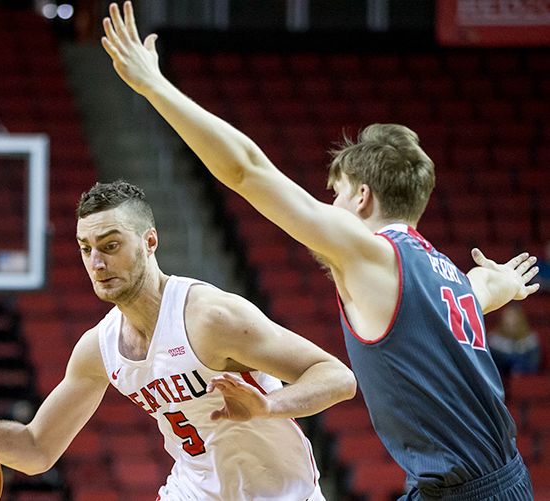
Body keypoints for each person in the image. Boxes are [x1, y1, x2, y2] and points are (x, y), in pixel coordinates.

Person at [99, 3, 540, 499]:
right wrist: (505, 281)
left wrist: (154, 86)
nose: (330, 206)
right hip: (500, 479)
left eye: (336, 193)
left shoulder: (374, 254)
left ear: (362, 197)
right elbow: (483, 288)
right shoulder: (444, 277)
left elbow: (247, 171)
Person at [0, 180, 357, 500]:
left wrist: (269, 405)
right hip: (190, 491)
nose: (97, 263)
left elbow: (337, 376)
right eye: (86, 249)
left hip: (282, 493)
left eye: (110, 245)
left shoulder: (210, 317)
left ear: (150, 241)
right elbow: (36, 449)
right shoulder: (98, 349)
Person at [488, 304, 542, 377]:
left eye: (514, 316)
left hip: (525, 379)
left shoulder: (530, 340)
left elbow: (534, 365)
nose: (511, 321)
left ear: (521, 319)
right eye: (508, 316)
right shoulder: (494, 340)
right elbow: (491, 367)